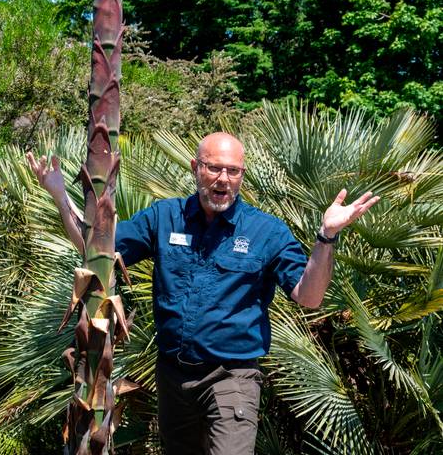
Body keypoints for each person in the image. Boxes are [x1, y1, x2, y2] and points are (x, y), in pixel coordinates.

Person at [26, 131, 379, 455]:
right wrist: (60, 195)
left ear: (242, 175)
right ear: (196, 167)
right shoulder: (166, 217)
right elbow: (97, 250)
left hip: (231, 377)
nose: (223, 179)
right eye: (214, 168)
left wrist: (327, 236)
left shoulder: (266, 231)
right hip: (173, 377)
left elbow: (309, 296)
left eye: (233, 171)